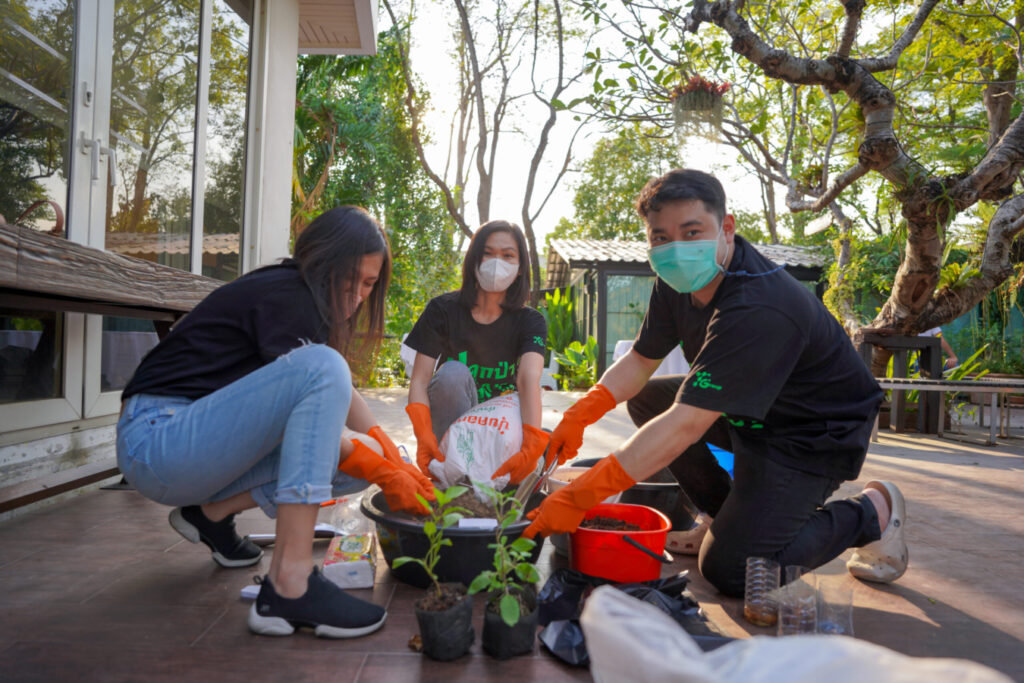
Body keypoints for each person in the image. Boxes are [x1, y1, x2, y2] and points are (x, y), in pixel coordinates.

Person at [523, 169, 909, 596]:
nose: (675, 248)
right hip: (752, 412)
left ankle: (873, 512)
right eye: (660, 237)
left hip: (812, 433)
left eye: (692, 231)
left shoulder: (759, 305)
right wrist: (581, 413)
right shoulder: (679, 281)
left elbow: (687, 424)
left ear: (726, 227)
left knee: (732, 571)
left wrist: (581, 496)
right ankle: (723, 516)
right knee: (650, 400)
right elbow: (640, 359)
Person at [116, 206, 433, 638]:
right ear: (324, 262)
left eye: (369, 284)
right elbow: (324, 376)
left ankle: (208, 515)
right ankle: (291, 582)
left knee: (365, 452)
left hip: (193, 452)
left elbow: (333, 398)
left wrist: (389, 454)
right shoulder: (288, 294)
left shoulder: (308, 303)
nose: (358, 295)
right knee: (336, 394)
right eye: (350, 279)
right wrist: (382, 469)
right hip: (156, 441)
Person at [403, 220, 548, 484]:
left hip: (498, 427)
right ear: (473, 260)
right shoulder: (442, 310)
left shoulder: (530, 320)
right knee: (452, 374)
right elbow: (420, 379)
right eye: (488, 253)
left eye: (507, 255)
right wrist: (424, 435)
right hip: (453, 425)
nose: (496, 262)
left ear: (519, 268)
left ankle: (493, 478)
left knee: (546, 441)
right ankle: (449, 472)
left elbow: (528, 379)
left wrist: (532, 444)